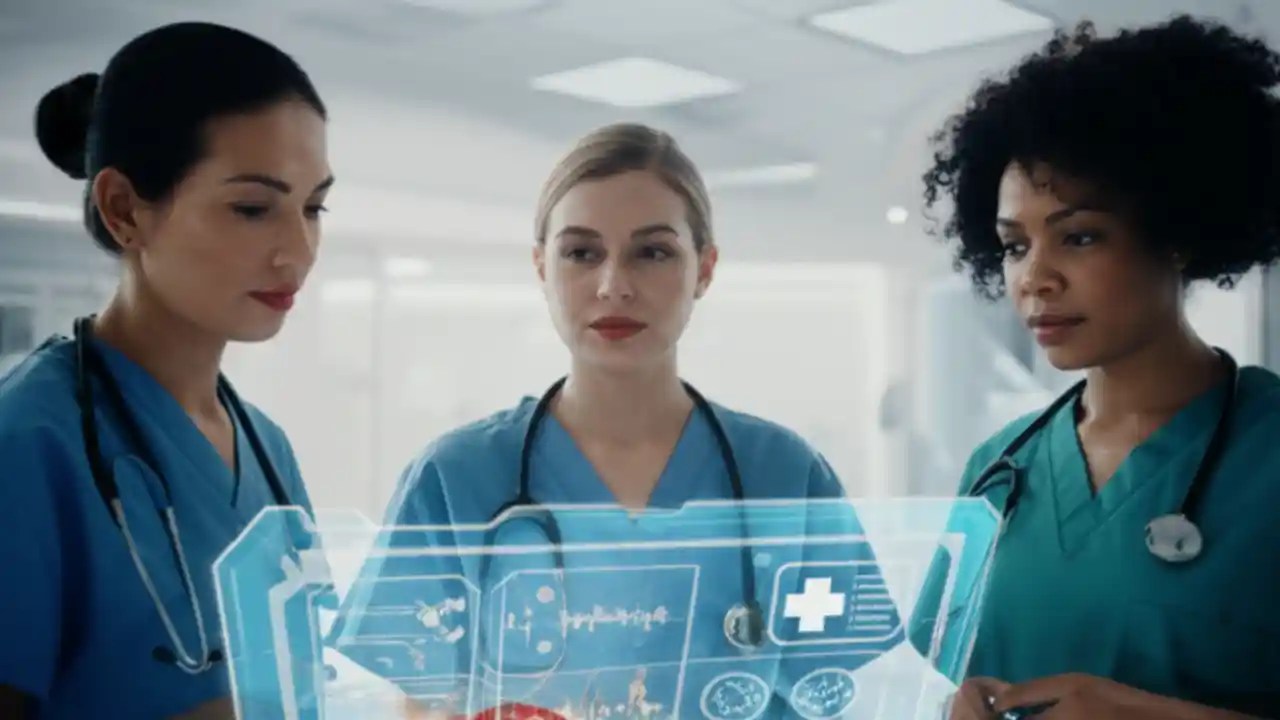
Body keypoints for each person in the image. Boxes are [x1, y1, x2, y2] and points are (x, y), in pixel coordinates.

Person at [330, 123, 892, 718]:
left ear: (704, 269)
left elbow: (837, 696)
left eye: (652, 252)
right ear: (541, 267)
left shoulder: (784, 476)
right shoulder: (456, 478)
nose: (613, 285)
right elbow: (424, 706)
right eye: (581, 253)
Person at [920, 15, 1280, 720]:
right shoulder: (998, 468)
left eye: (1079, 237)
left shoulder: (1266, 454)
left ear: (1176, 233)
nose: (1034, 278)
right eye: (1014, 246)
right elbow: (931, 671)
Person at [0, 22, 333, 719]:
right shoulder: (29, 444)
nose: (298, 252)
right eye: (252, 209)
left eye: (312, 207)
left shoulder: (267, 450)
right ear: (124, 209)